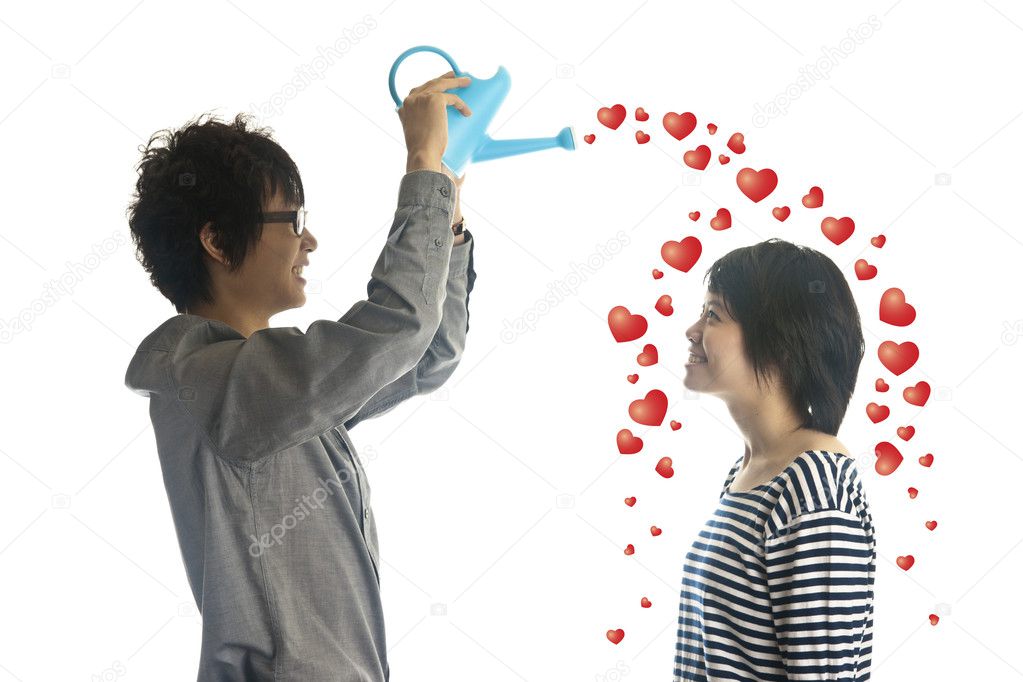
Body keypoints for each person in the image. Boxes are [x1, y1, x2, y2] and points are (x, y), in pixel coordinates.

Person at [123, 70, 475, 681]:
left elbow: (427, 352)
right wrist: (422, 164)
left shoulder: (269, 391)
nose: (308, 240)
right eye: (291, 220)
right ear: (216, 239)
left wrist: (447, 215)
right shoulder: (212, 382)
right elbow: (398, 327)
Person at [673, 239, 875, 681]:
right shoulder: (749, 472)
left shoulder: (814, 487)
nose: (692, 331)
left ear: (781, 343)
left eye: (713, 315)